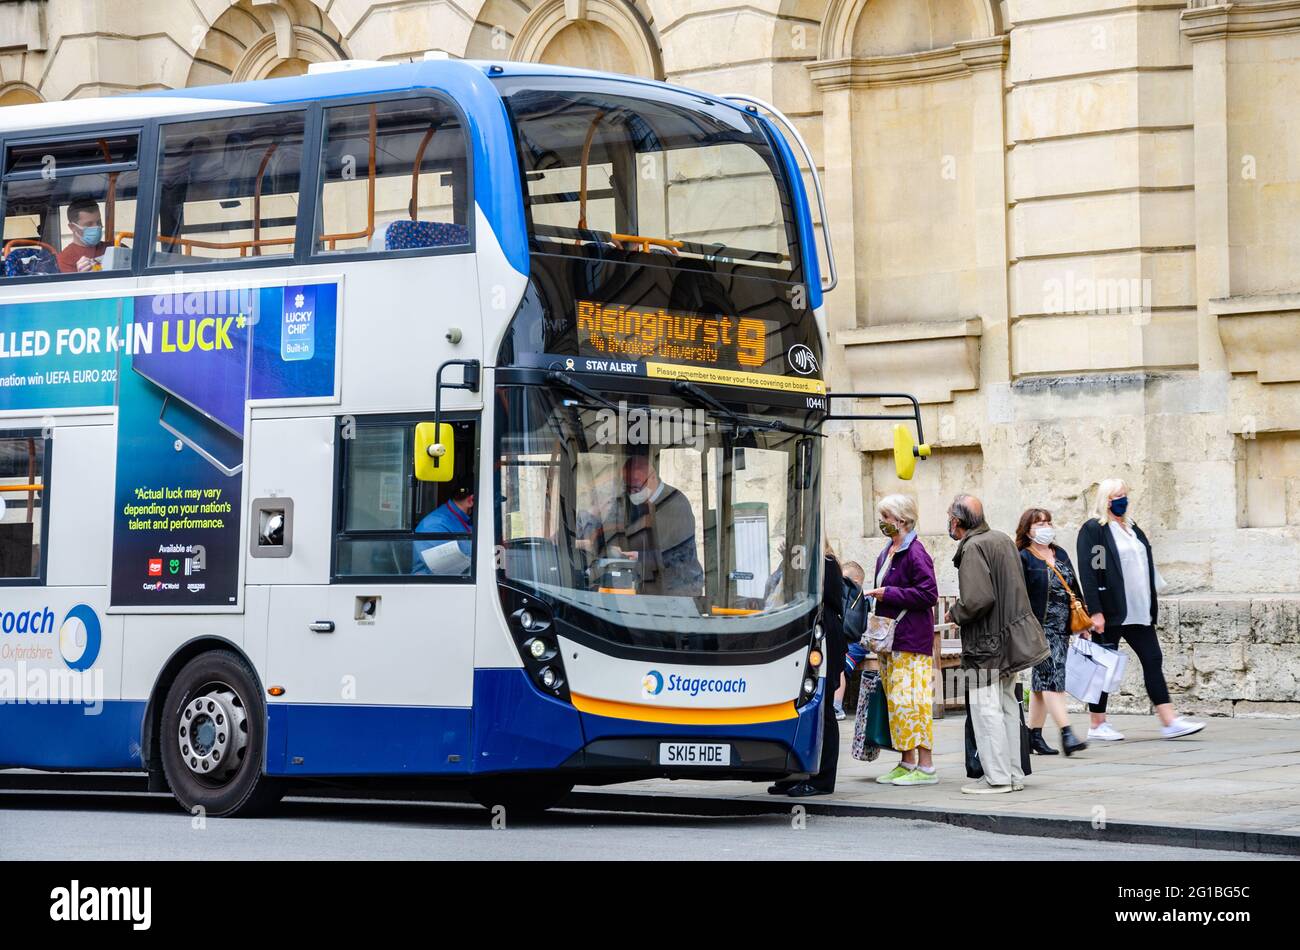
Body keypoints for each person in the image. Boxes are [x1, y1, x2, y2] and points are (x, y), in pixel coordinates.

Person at [1075, 478, 1205, 740]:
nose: (1122, 499)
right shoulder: (1096, 531)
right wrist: (1096, 611)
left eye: (1124, 494)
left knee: (1153, 659)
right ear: (1105, 501)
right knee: (1103, 666)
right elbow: (1093, 571)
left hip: (1138, 610)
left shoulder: (1132, 528)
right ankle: (1097, 724)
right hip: (1112, 612)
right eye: (1116, 496)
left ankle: (1169, 721)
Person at [946, 494, 1047, 795]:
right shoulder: (1001, 539)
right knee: (1007, 707)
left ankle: (997, 777)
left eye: (950, 516)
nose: (948, 522)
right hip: (1007, 639)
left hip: (984, 645)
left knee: (985, 709)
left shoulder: (973, 547)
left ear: (958, 521)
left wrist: (956, 612)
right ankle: (1012, 774)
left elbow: (979, 599)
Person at [866, 495, 939, 787]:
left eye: (886, 517)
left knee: (913, 702)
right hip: (890, 639)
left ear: (902, 520)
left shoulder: (916, 552)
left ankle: (926, 765)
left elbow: (928, 594)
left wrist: (889, 594)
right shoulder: (888, 551)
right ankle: (907, 761)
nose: (882, 522)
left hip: (911, 639)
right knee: (897, 702)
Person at [1016, 508, 1089, 756]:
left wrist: (1083, 623)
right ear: (1027, 530)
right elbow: (1019, 595)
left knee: (1041, 683)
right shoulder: (1023, 557)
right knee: (1051, 679)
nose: (1045, 527)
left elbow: (1074, 586)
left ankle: (1033, 735)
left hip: (1063, 627)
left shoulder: (1060, 553)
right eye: (1039, 524)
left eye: (1048, 522)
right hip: (1040, 628)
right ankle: (1066, 733)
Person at [780, 542, 846, 797]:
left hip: (824, 638)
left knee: (824, 711)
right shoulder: (800, 563)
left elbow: (822, 600)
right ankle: (794, 773)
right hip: (804, 638)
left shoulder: (826, 564)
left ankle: (823, 778)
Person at [607, 456, 703, 597]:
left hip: (680, 589)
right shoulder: (628, 502)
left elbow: (679, 555)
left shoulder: (675, 503)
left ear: (652, 478)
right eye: (628, 488)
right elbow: (613, 529)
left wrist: (638, 557)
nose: (632, 493)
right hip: (646, 588)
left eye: (636, 487)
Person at [833, 560, 870, 720]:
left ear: (855, 583)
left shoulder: (861, 600)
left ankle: (836, 706)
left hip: (857, 643)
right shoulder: (844, 598)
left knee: (839, 664)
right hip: (845, 640)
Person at [411, 485, 473, 575]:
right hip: (433, 584)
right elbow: (450, 567)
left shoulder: (463, 518)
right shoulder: (435, 525)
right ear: (471, 500)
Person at [57, 197, 108, 273]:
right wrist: (80, 275)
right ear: (72, 227)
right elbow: (71, 284)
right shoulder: (65, 259)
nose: (96, 227)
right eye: (89, 224)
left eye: (98, 222)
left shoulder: (115, 247)